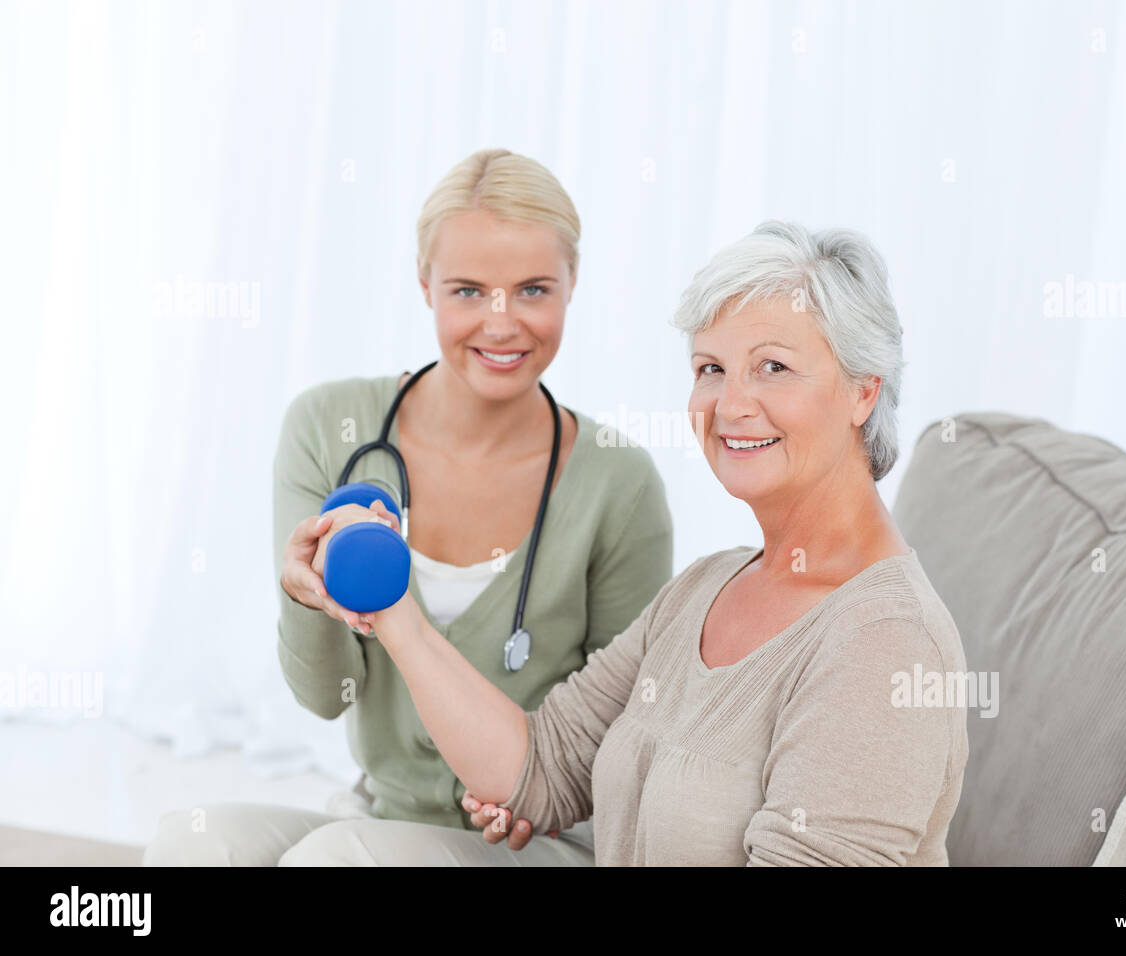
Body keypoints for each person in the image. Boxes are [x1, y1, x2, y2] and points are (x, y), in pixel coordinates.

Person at [260, 219, 969, 866]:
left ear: (863, 393)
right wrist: (390, 609)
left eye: (772, 367)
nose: (729, 404)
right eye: (709, 368)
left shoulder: (884, 640)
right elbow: (543, 768)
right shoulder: (706, 587)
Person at [141, 148, 673, 866]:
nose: (501, 323)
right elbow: (328, 697)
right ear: (424, 283)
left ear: (573, 282)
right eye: (467, 290)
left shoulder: (619, 480)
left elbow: (630, 729)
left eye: (533, 290)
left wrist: (544, 793)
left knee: (335, 861)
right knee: (194, 845)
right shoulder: (329, 427)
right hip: (382, 814)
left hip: (539, 835)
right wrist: (307, 597)